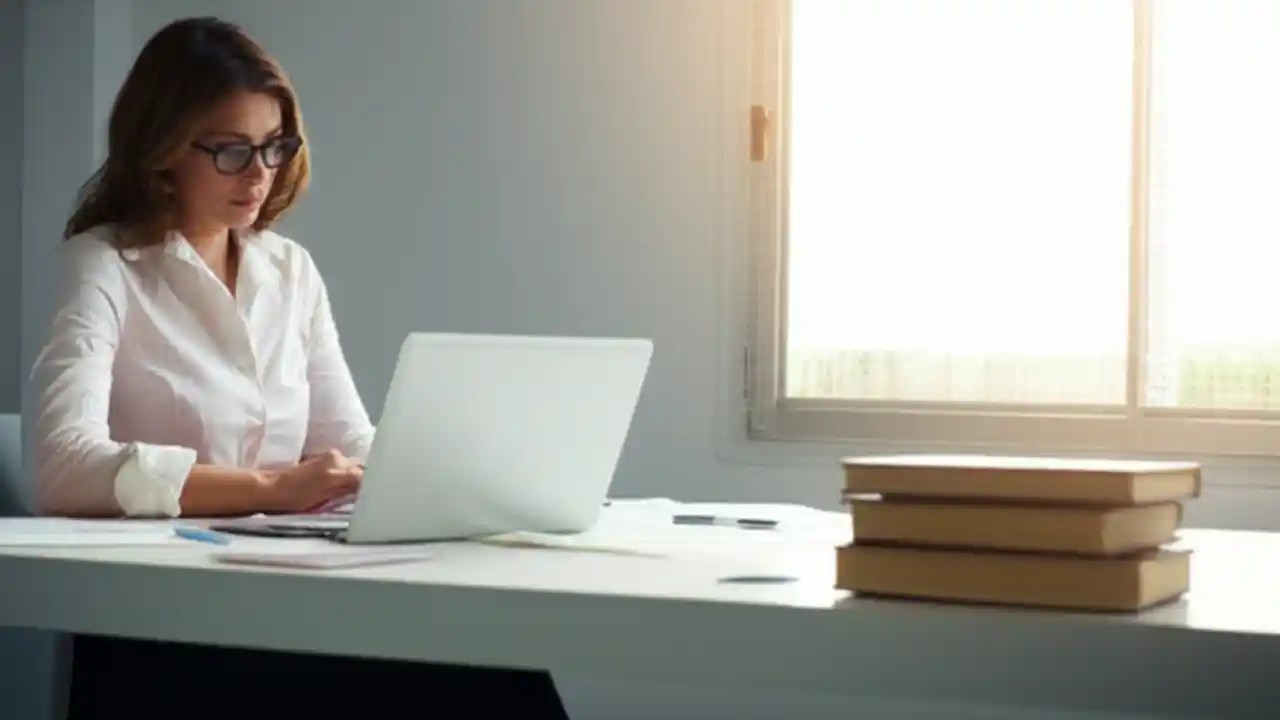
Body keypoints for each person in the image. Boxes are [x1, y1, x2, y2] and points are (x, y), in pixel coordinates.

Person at [32, 16, 570, 719]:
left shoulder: (288, 271)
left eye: (274, 146)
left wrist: (470, 485)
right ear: (160, 150)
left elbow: (350, 441)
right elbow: (62, 468)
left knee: (503, 675)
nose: (259, 174)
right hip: (167, 618)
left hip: (290, 596)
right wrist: (270, 487)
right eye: (230, 151)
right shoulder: (102, 266)